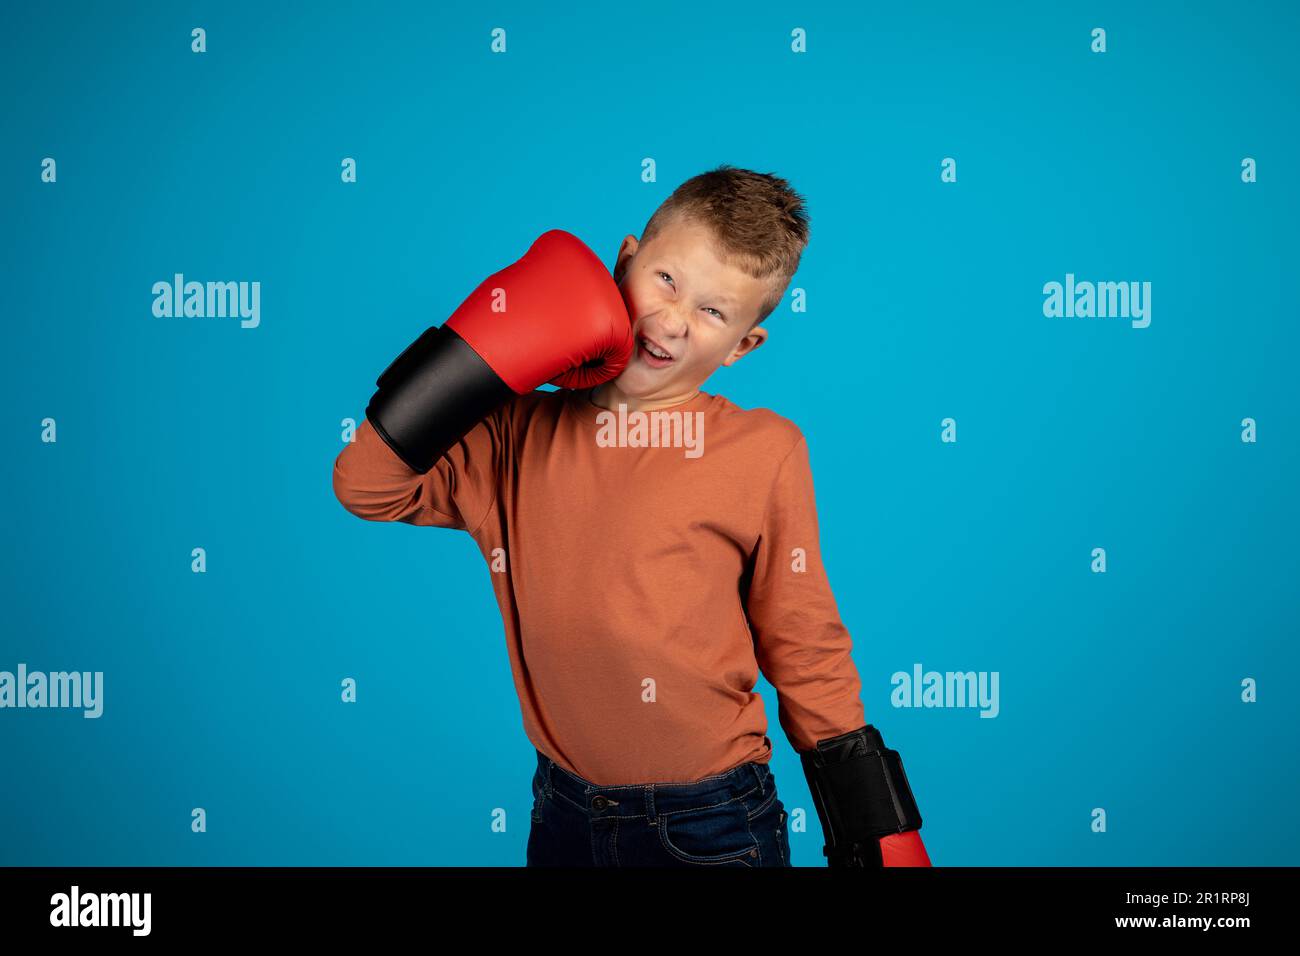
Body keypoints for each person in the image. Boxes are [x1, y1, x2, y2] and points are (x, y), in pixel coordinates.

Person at [332, 165, 931, 867]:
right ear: (622, 261)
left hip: (712, 821)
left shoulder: (763, 450)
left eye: (714, 311)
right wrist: (475, 356)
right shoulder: (513, 435)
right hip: (564, 810)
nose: (674, 321)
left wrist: (874, 825)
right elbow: (365, 487)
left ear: (743, 346)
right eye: (666, 280)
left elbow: (803, 643)